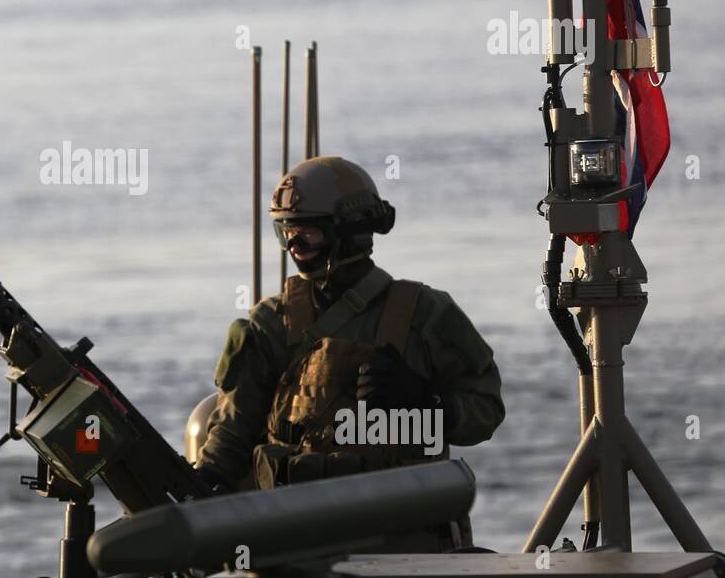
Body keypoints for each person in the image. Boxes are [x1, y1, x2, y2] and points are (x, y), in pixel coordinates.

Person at [194, 156, 505, 550]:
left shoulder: (425, 314)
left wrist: (429, 404)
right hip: (295, 540)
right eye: (285, 232)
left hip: (403, 539)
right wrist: (201, 487)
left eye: (308, 233)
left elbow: (487, 411)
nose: (295, 245)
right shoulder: (270, 322)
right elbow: (234, 432)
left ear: (351, 231)